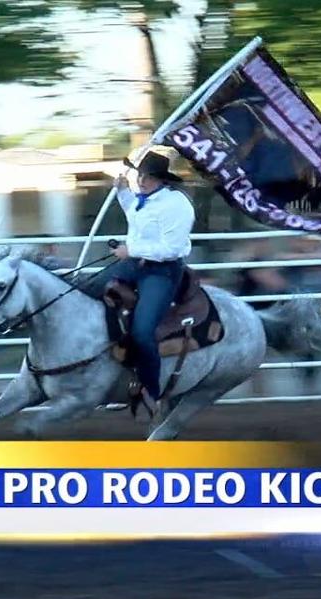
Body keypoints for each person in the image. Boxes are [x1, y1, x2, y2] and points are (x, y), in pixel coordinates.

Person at [84, 151, 195, 410]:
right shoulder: (142, 199)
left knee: (143, 332)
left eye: (148, 176)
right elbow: (135, 213)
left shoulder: (177, 205)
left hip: (162, 271)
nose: (142, 180)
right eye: (140, 174)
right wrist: (123, 192)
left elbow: (172, 249)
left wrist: (130, 251)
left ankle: (150, 391)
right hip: (134, 264)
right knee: (87, 291)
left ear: (162, 180)